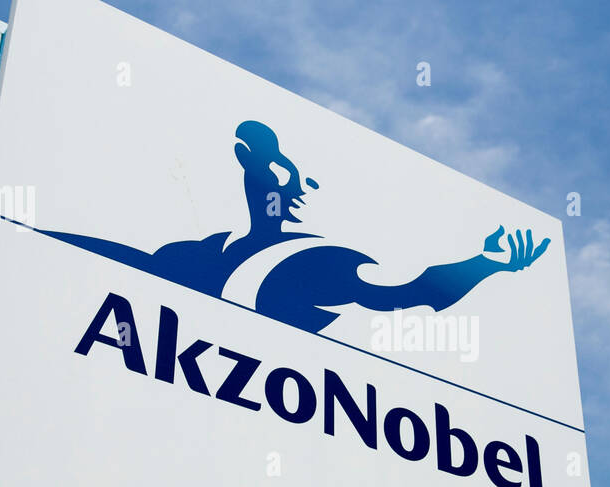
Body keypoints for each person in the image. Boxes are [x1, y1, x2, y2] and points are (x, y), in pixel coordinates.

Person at [40, 120, 550, 334]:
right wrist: (14, 237)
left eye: (286, 171)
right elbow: (118, 264)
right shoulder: (194, 254)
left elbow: (407, 291)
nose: (275, 178)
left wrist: (485, 263)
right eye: (262, 164)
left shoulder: (318, 265)